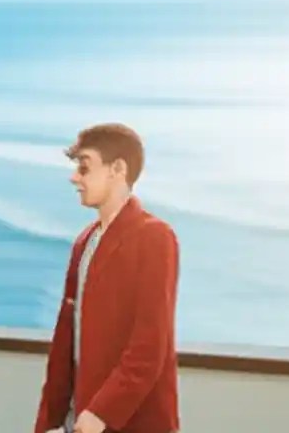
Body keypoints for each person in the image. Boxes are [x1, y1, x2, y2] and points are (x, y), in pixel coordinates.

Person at [35, 124, 180, 433]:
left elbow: (149, 344)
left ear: (118, 169)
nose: (75, 177)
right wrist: (50, 419)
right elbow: (66, 339)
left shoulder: (155, 237)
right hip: (78, 419)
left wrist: (101, 413)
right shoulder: (84, 242)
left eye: (84, 167)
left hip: (125, 423)